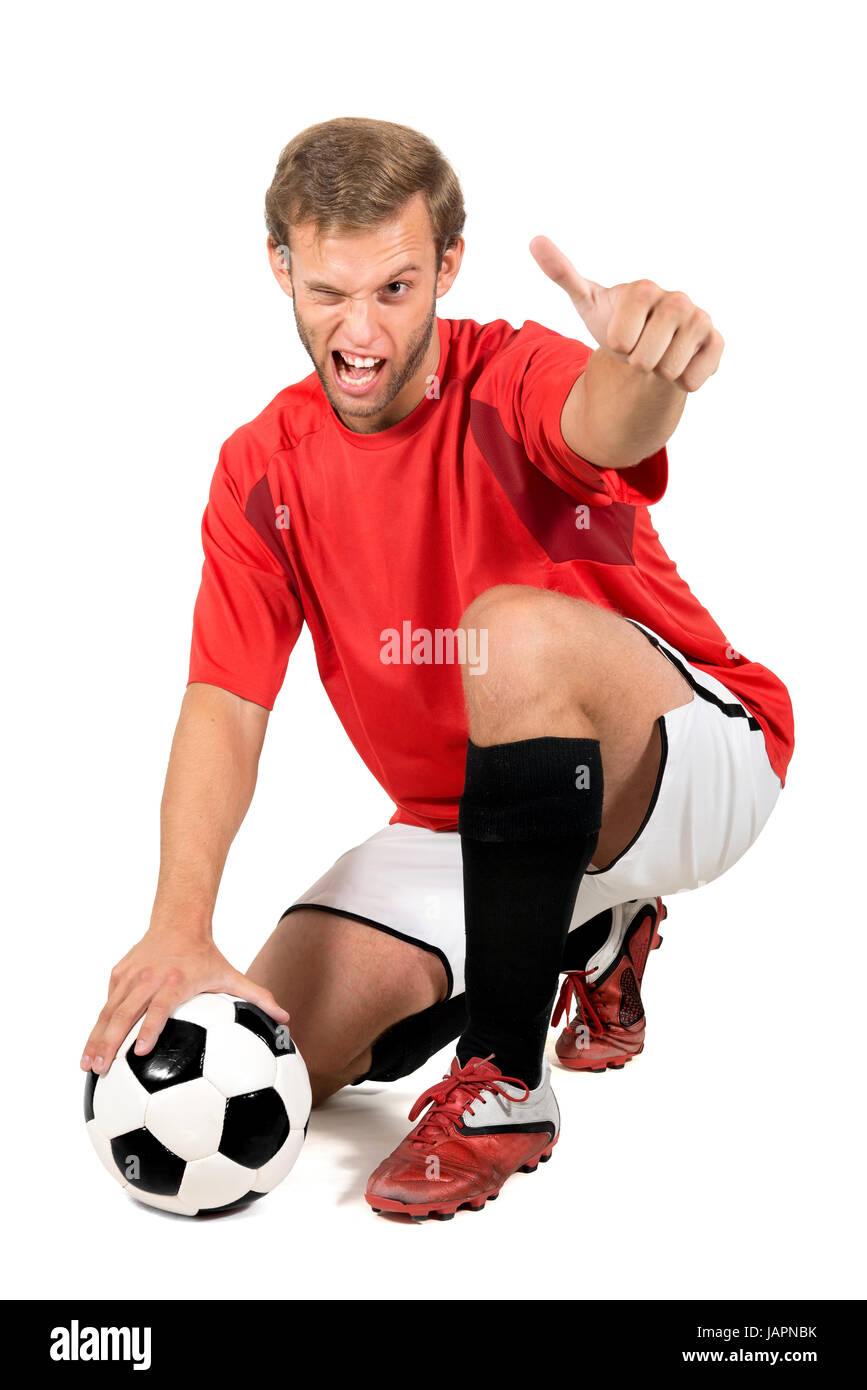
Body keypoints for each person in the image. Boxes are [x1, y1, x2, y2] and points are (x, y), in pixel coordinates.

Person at [80, 116, 794, 1221]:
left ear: (448, 266)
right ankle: (585, 927)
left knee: (499, 631)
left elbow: (602, 423)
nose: (360, 331)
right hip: (469, 814)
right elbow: (226, 699)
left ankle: (507, 1082)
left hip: (691, 759)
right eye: (327, 292)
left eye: (397, 289)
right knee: (272, 1052)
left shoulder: (509, 376)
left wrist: (647, 369)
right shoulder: (260, 469)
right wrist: (181, 921)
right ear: (280, 267)